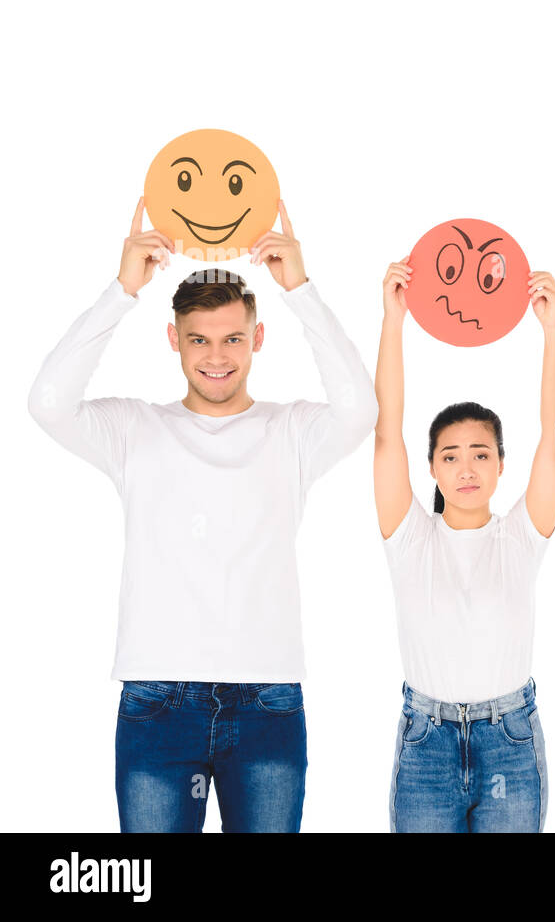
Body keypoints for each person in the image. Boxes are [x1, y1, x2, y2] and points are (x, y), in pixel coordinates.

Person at [28, 199, 378, 832]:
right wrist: (122, 290)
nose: (217, 357)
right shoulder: (135, 428)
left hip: (268, 697)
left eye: (233, 339)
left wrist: (298, 288)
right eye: (199, 340)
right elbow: (48, 402)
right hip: (159, 697)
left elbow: (359, 412)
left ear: (257, 338)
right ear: (175, 340)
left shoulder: (290, 430)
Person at [374, 259, 555, 832]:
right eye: (450, 456)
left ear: (502, 465)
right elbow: (386, 431)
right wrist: (394, 321)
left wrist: (552, 332)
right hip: (426, 743)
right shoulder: (409, 536)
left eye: (481, 454)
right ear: (431, 468)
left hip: (508, 736)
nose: (466, 468)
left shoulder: (520, 536)